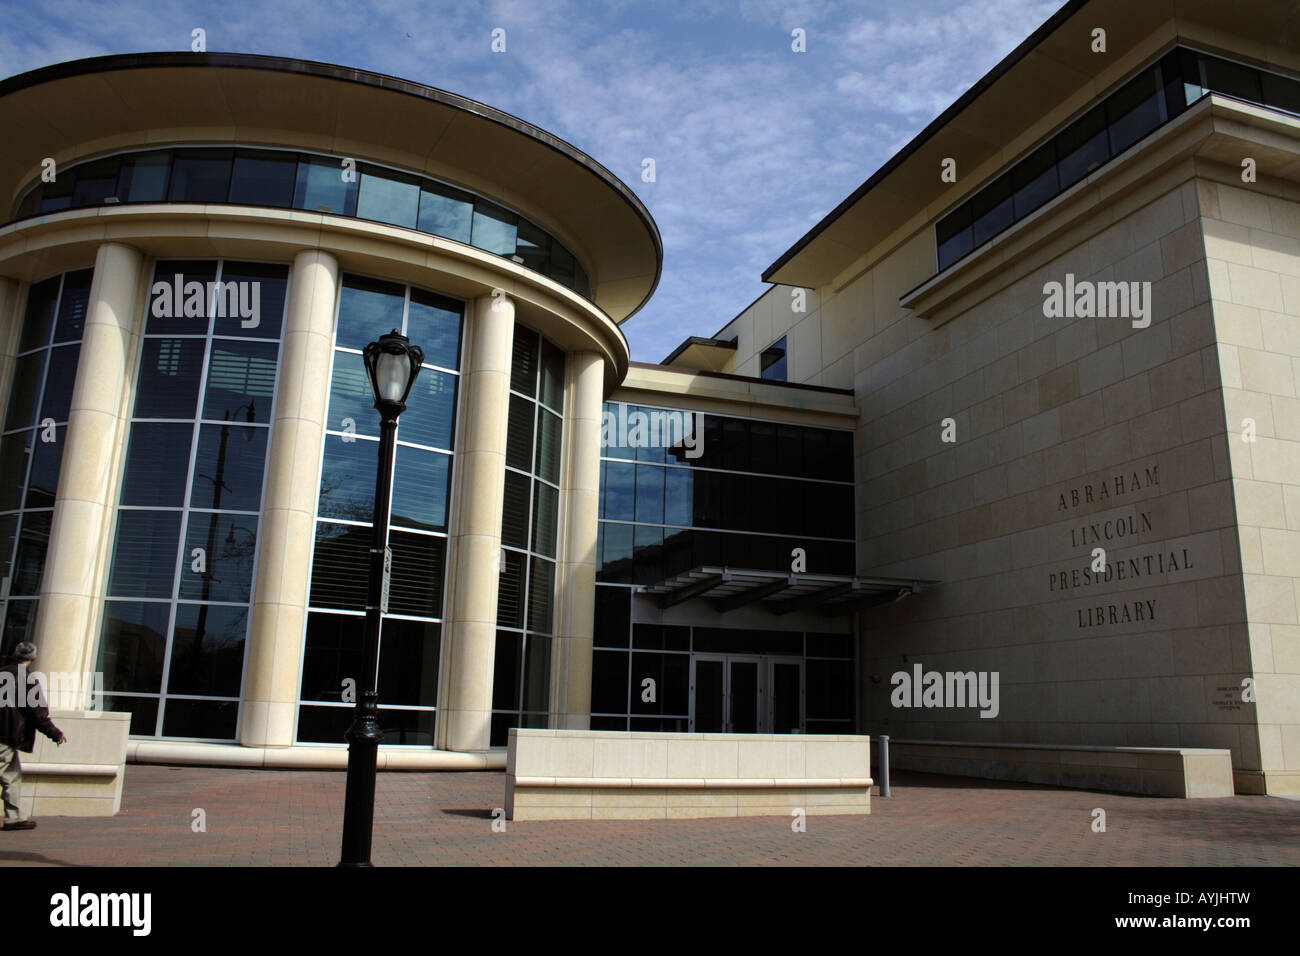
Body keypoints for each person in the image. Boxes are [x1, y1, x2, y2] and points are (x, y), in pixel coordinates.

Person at [1, 642, 67, 831]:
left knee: (11, 776)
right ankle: (13, 817)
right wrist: (55, 734)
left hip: (6, 737)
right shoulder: (27, 681)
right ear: (34, 657)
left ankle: (14, 818)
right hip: (6, 736)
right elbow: (37, 713)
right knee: (9, 774)